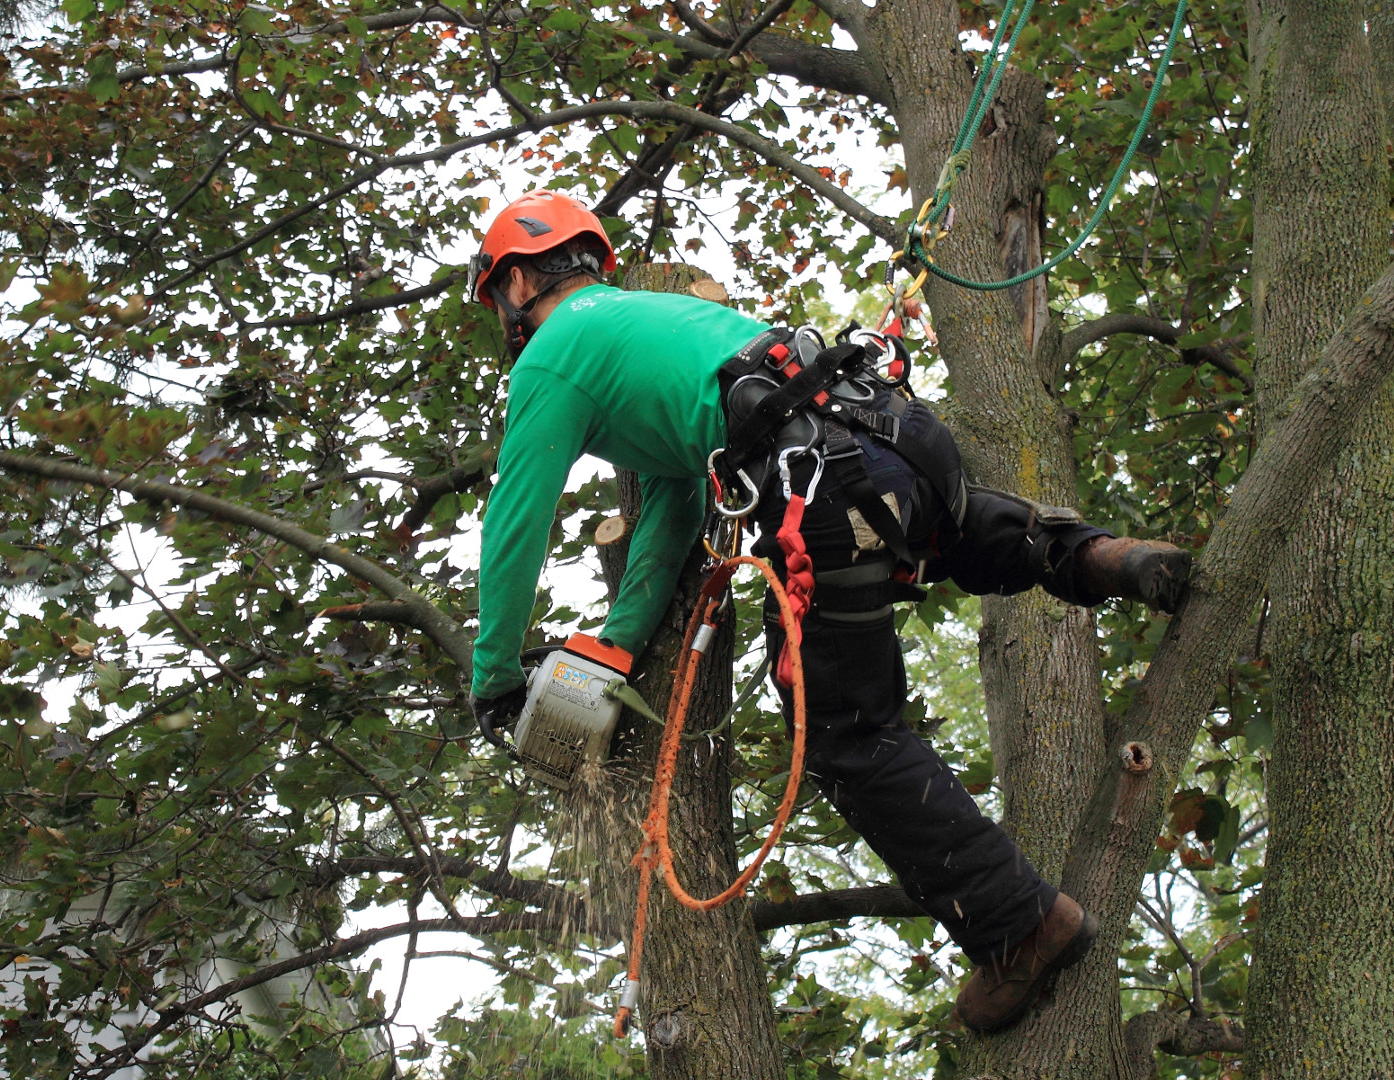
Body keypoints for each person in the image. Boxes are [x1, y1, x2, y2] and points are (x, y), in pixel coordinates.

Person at [464, 189, 1190, 1035]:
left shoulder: (554, 356)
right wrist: (619, 645)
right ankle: (1106, 558)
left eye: (499, 299)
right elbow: (671, 507)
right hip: (893, 439)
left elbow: (515, 518)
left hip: (816, 492)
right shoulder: (661, 326)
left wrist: (495, 679)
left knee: (847, 736)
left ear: (518, 284)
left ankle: (1021, 927)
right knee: (943, 529)